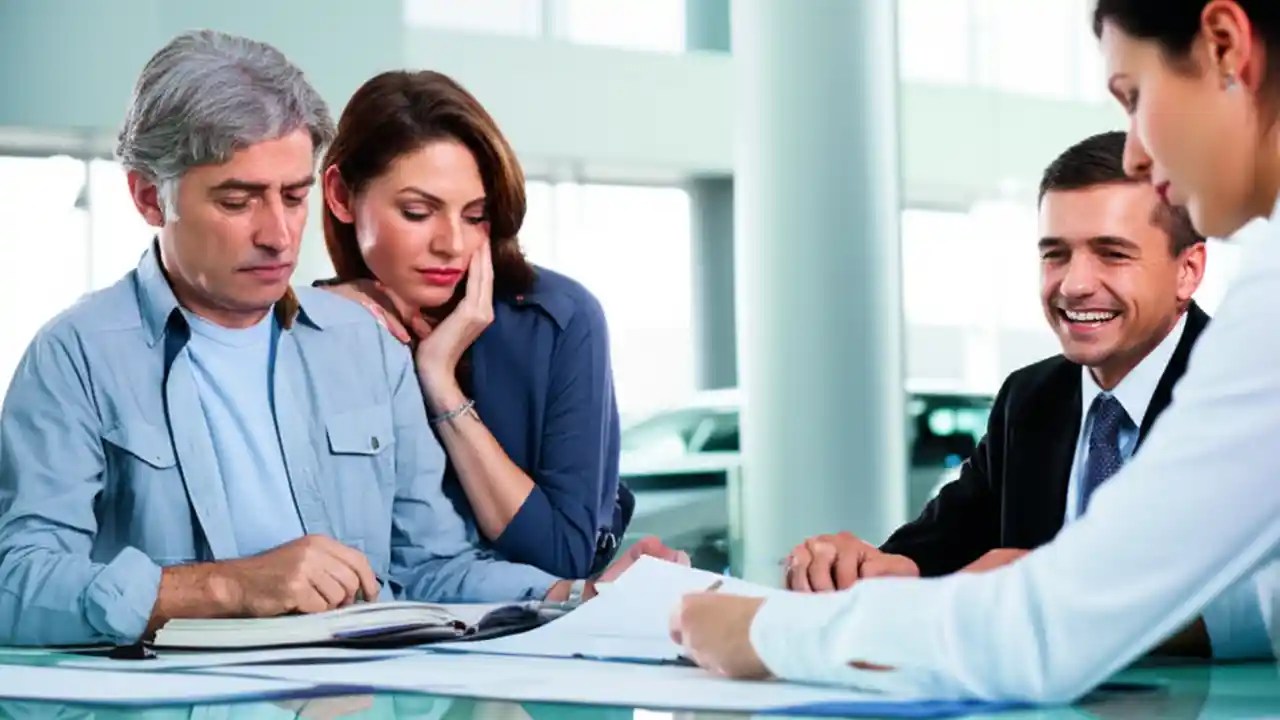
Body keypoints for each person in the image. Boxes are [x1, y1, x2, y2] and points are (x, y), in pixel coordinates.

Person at [671, 0, 1280, 701]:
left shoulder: (1254, 333)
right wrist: (891, 572)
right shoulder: (1033, 398)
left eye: (1135, 97)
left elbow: (1053, 627)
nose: (1138, 150)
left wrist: (764, 634)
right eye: (1055, 253)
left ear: (1227, 47)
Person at [0, 30, 679, 648]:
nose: (277, 235)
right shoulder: (77, 355)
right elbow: (17, 584)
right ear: (150, 198)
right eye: (238, 201)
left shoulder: (367, 345)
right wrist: (228, 588)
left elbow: (434, 571)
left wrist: (577, 598)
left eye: (292, 197)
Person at [784, 131, 1272, 660]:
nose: (1074, 285)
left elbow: (1256, 601)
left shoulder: (1245, 392)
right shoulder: (1030, 397)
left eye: (1112, 254)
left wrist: (1046, 591)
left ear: (1188, 271)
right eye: (1055, 255)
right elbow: (945, 542)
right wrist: (871, 566)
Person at [316, 70, 628, 579]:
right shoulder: (316, 327)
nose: (452, 245)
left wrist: (439, 381)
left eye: (475, 215)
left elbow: (564, 556)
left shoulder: (560, 321)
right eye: (418, 212)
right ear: (341, 196)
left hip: (530, 639)